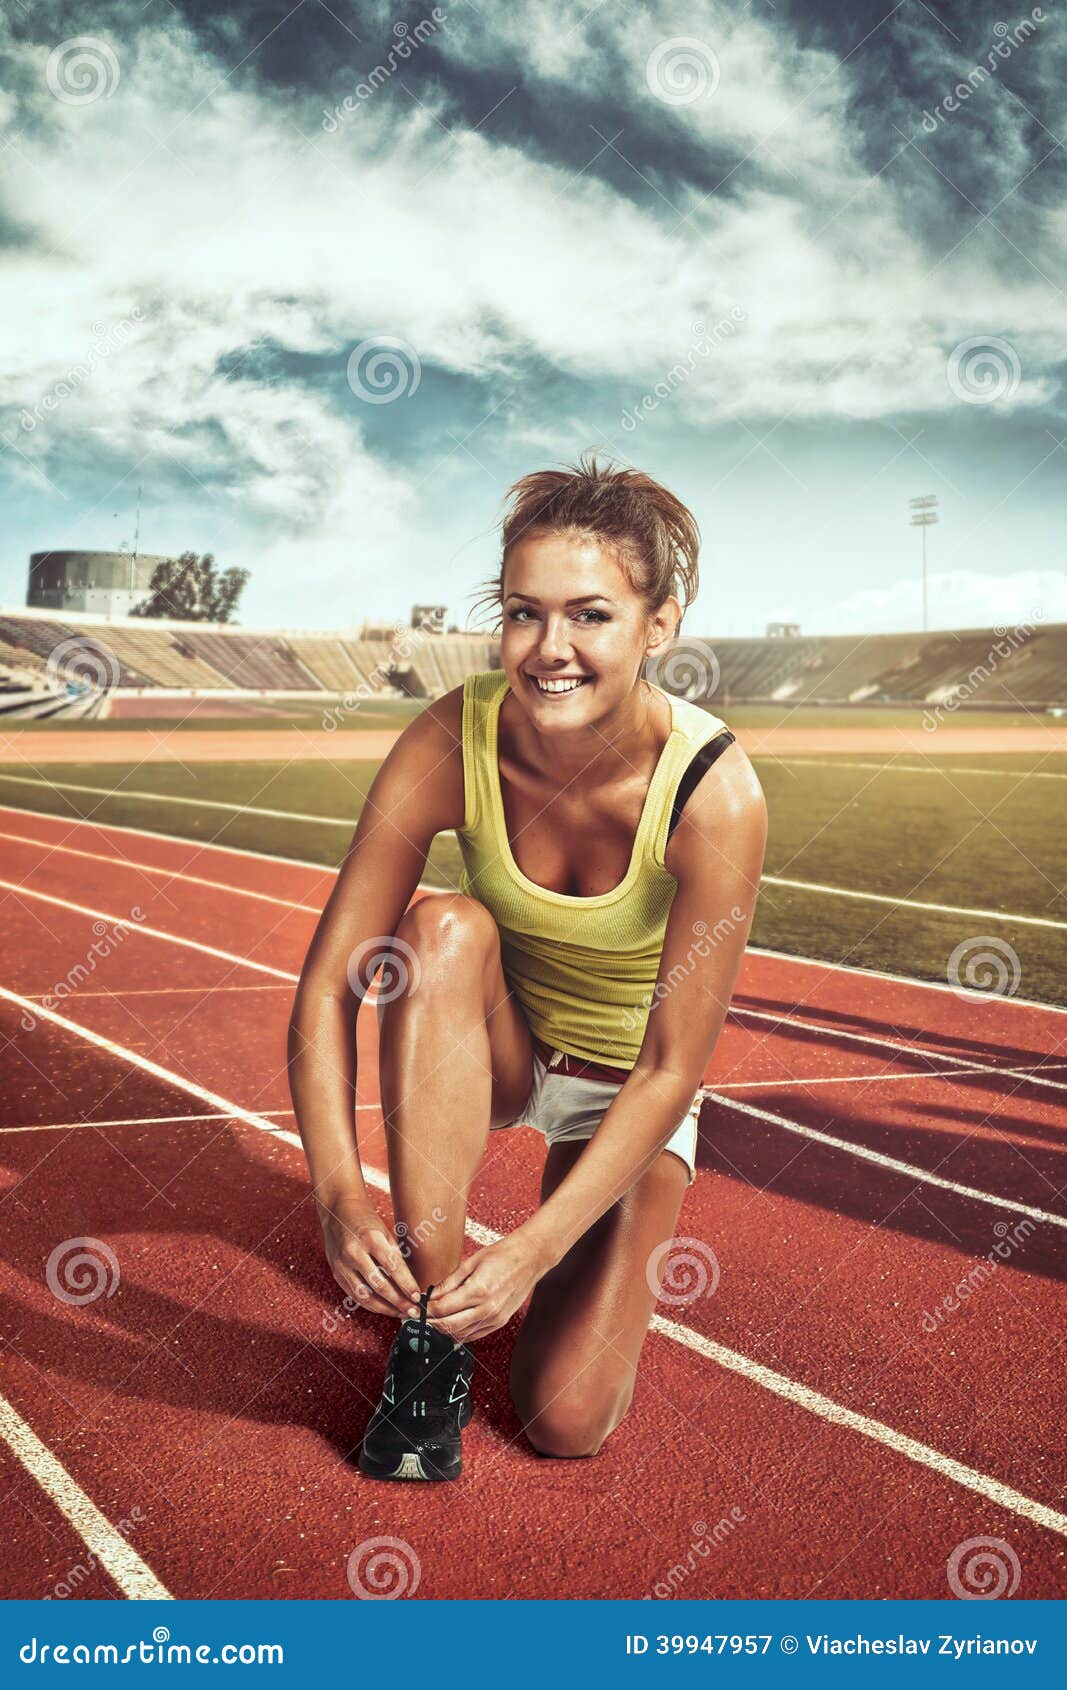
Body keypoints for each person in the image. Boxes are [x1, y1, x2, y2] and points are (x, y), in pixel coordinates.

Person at [287, 453, 767, 1481]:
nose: (548, 649)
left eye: (589, 615)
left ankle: (532, 1280)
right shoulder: (448, 737)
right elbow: (332, 982)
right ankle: (432, 1332)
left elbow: (670, 1069)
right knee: (439, 930)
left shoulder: (713, 794)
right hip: (495, 1043)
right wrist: (336, 1188)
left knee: (563, 1419)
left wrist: (535, 1248)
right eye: (521, 612)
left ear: (659, 625)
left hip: (621, 1089)